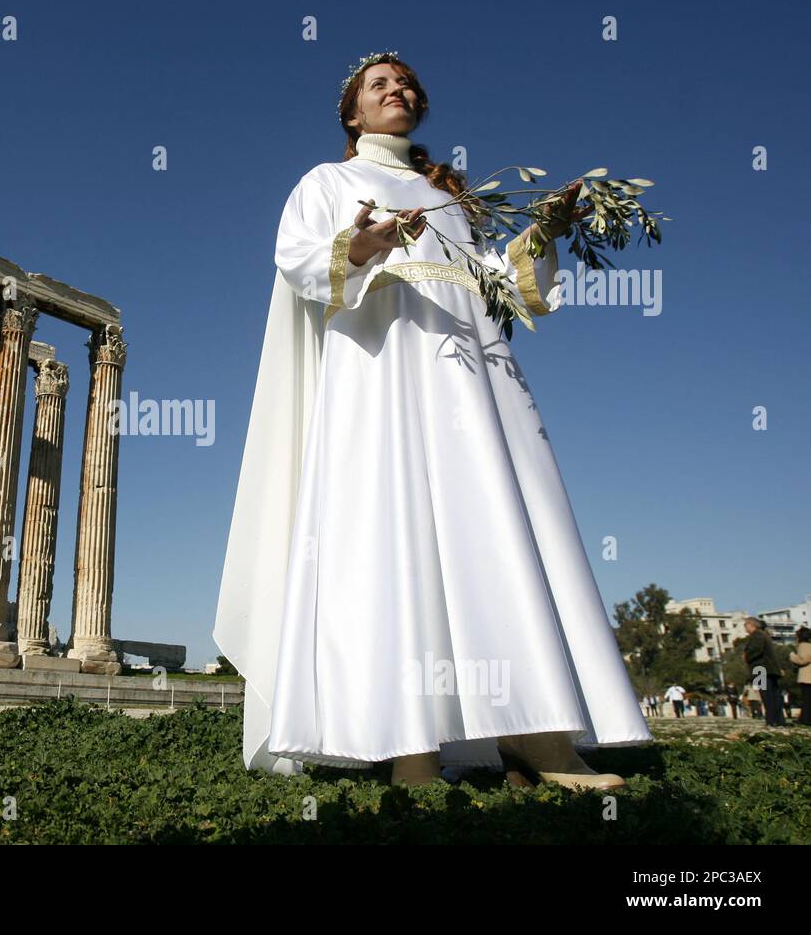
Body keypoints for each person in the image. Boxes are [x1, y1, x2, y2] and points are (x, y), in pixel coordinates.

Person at [212, 50, 652, 792]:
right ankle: (407, 745)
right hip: (381, 368)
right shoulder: (328, 182)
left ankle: (540, 738)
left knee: (498, 526)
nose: (397, 90)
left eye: (406, 82)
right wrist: (363, 245)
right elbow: (299, 261)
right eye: (379, 84)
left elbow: (507, 288)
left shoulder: (453, 200)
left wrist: (541, 236)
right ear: (352, 113)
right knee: (392, 531)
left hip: (470, 372)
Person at [743, 617, 786, 726]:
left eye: (746, 625)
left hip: (760, 668)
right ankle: (779, 719)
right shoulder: (763, 634)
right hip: (769, 668)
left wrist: (746, 656)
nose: (745, 627)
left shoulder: (756, 635)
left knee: (766, 695)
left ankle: (771, 720)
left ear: (751, 625)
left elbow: (755, 649)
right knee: (774, 694)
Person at [792, 627, 811, 726]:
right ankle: (804, 718)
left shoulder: (803, 645)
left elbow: (803, 659)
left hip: (806, 677)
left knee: (806, 699)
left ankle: (805, 719)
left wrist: (792, 656)